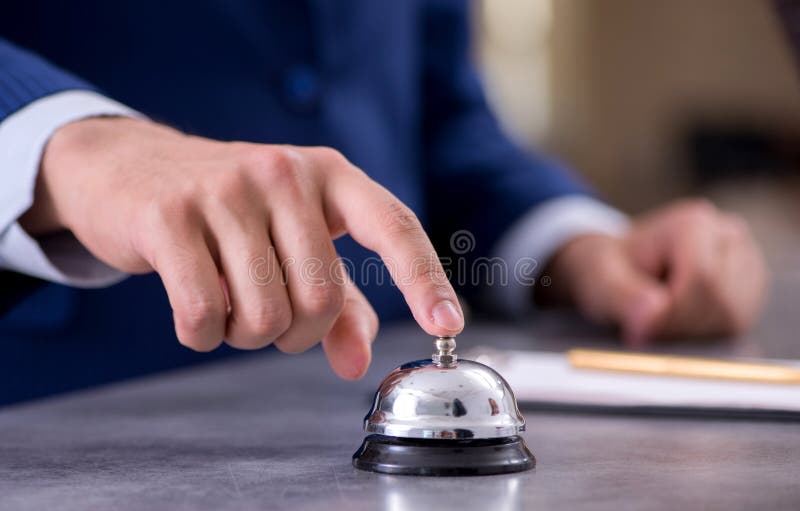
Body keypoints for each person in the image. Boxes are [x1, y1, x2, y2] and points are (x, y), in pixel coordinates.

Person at [0, 0, 767, 405]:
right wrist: (73, 147)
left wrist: (580, 249)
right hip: (69, 415)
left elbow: (438, 116)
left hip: (372, 430)